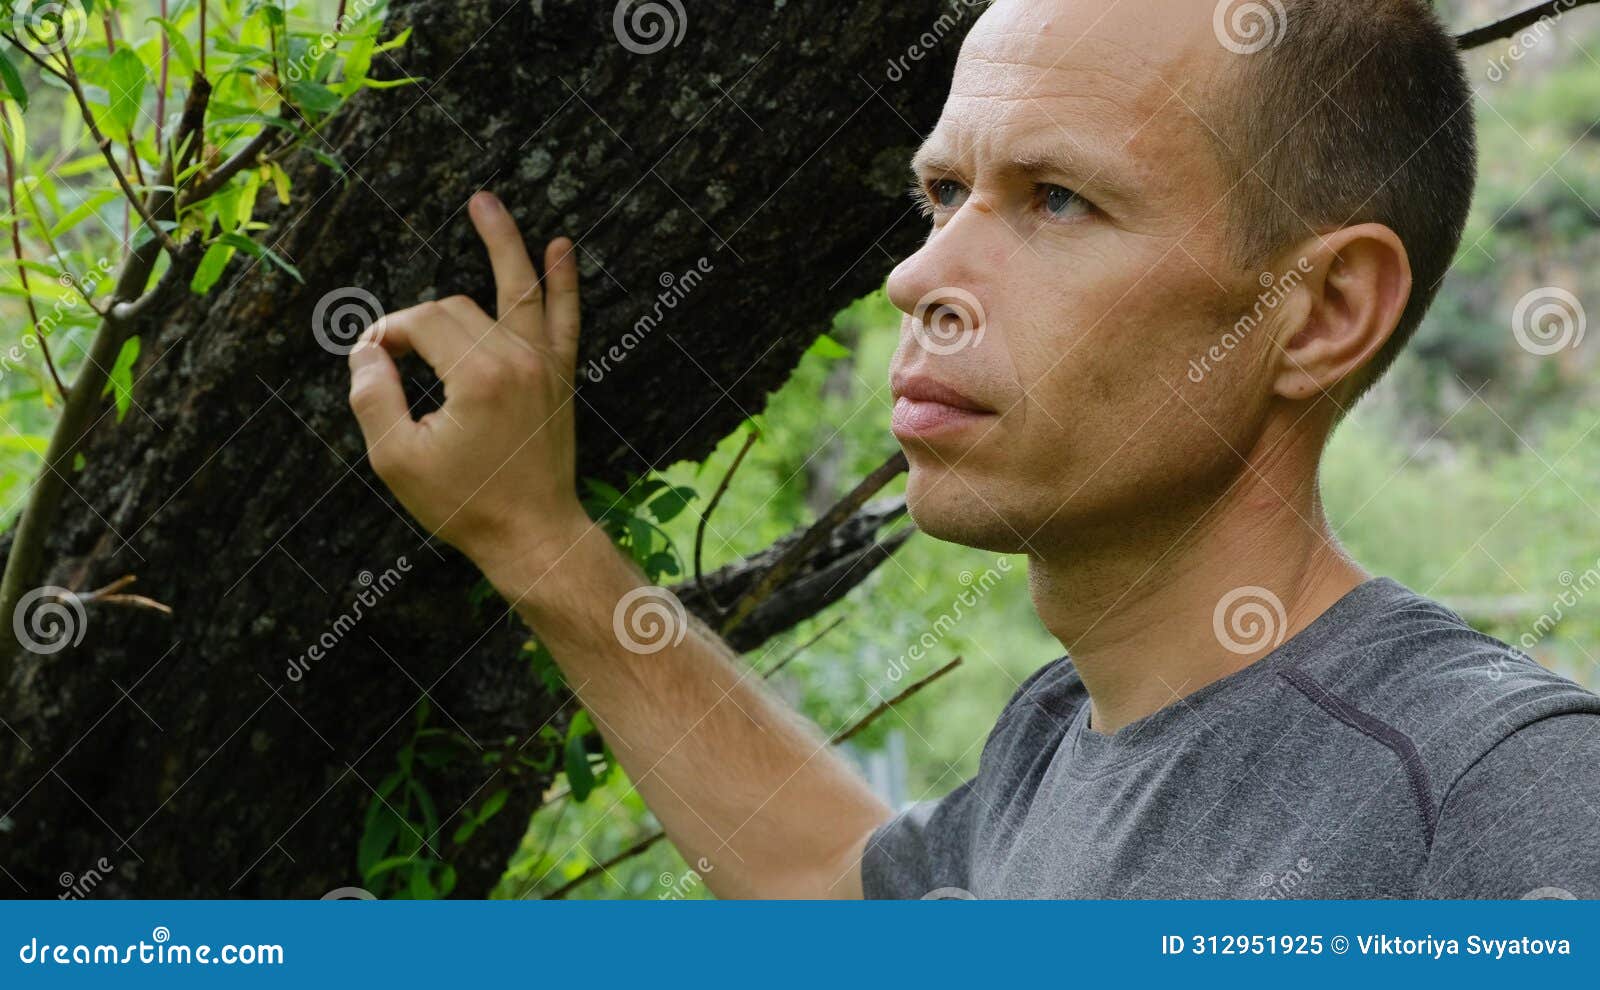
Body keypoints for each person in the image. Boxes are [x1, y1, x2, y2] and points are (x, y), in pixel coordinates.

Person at [345, 0, 1600, 898]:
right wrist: (536, 537)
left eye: (1059, 200)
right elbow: (835, 887)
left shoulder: (1503, 793)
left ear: (1320, 315)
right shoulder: (1057, 742)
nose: (916, 276)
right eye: (944, 196)